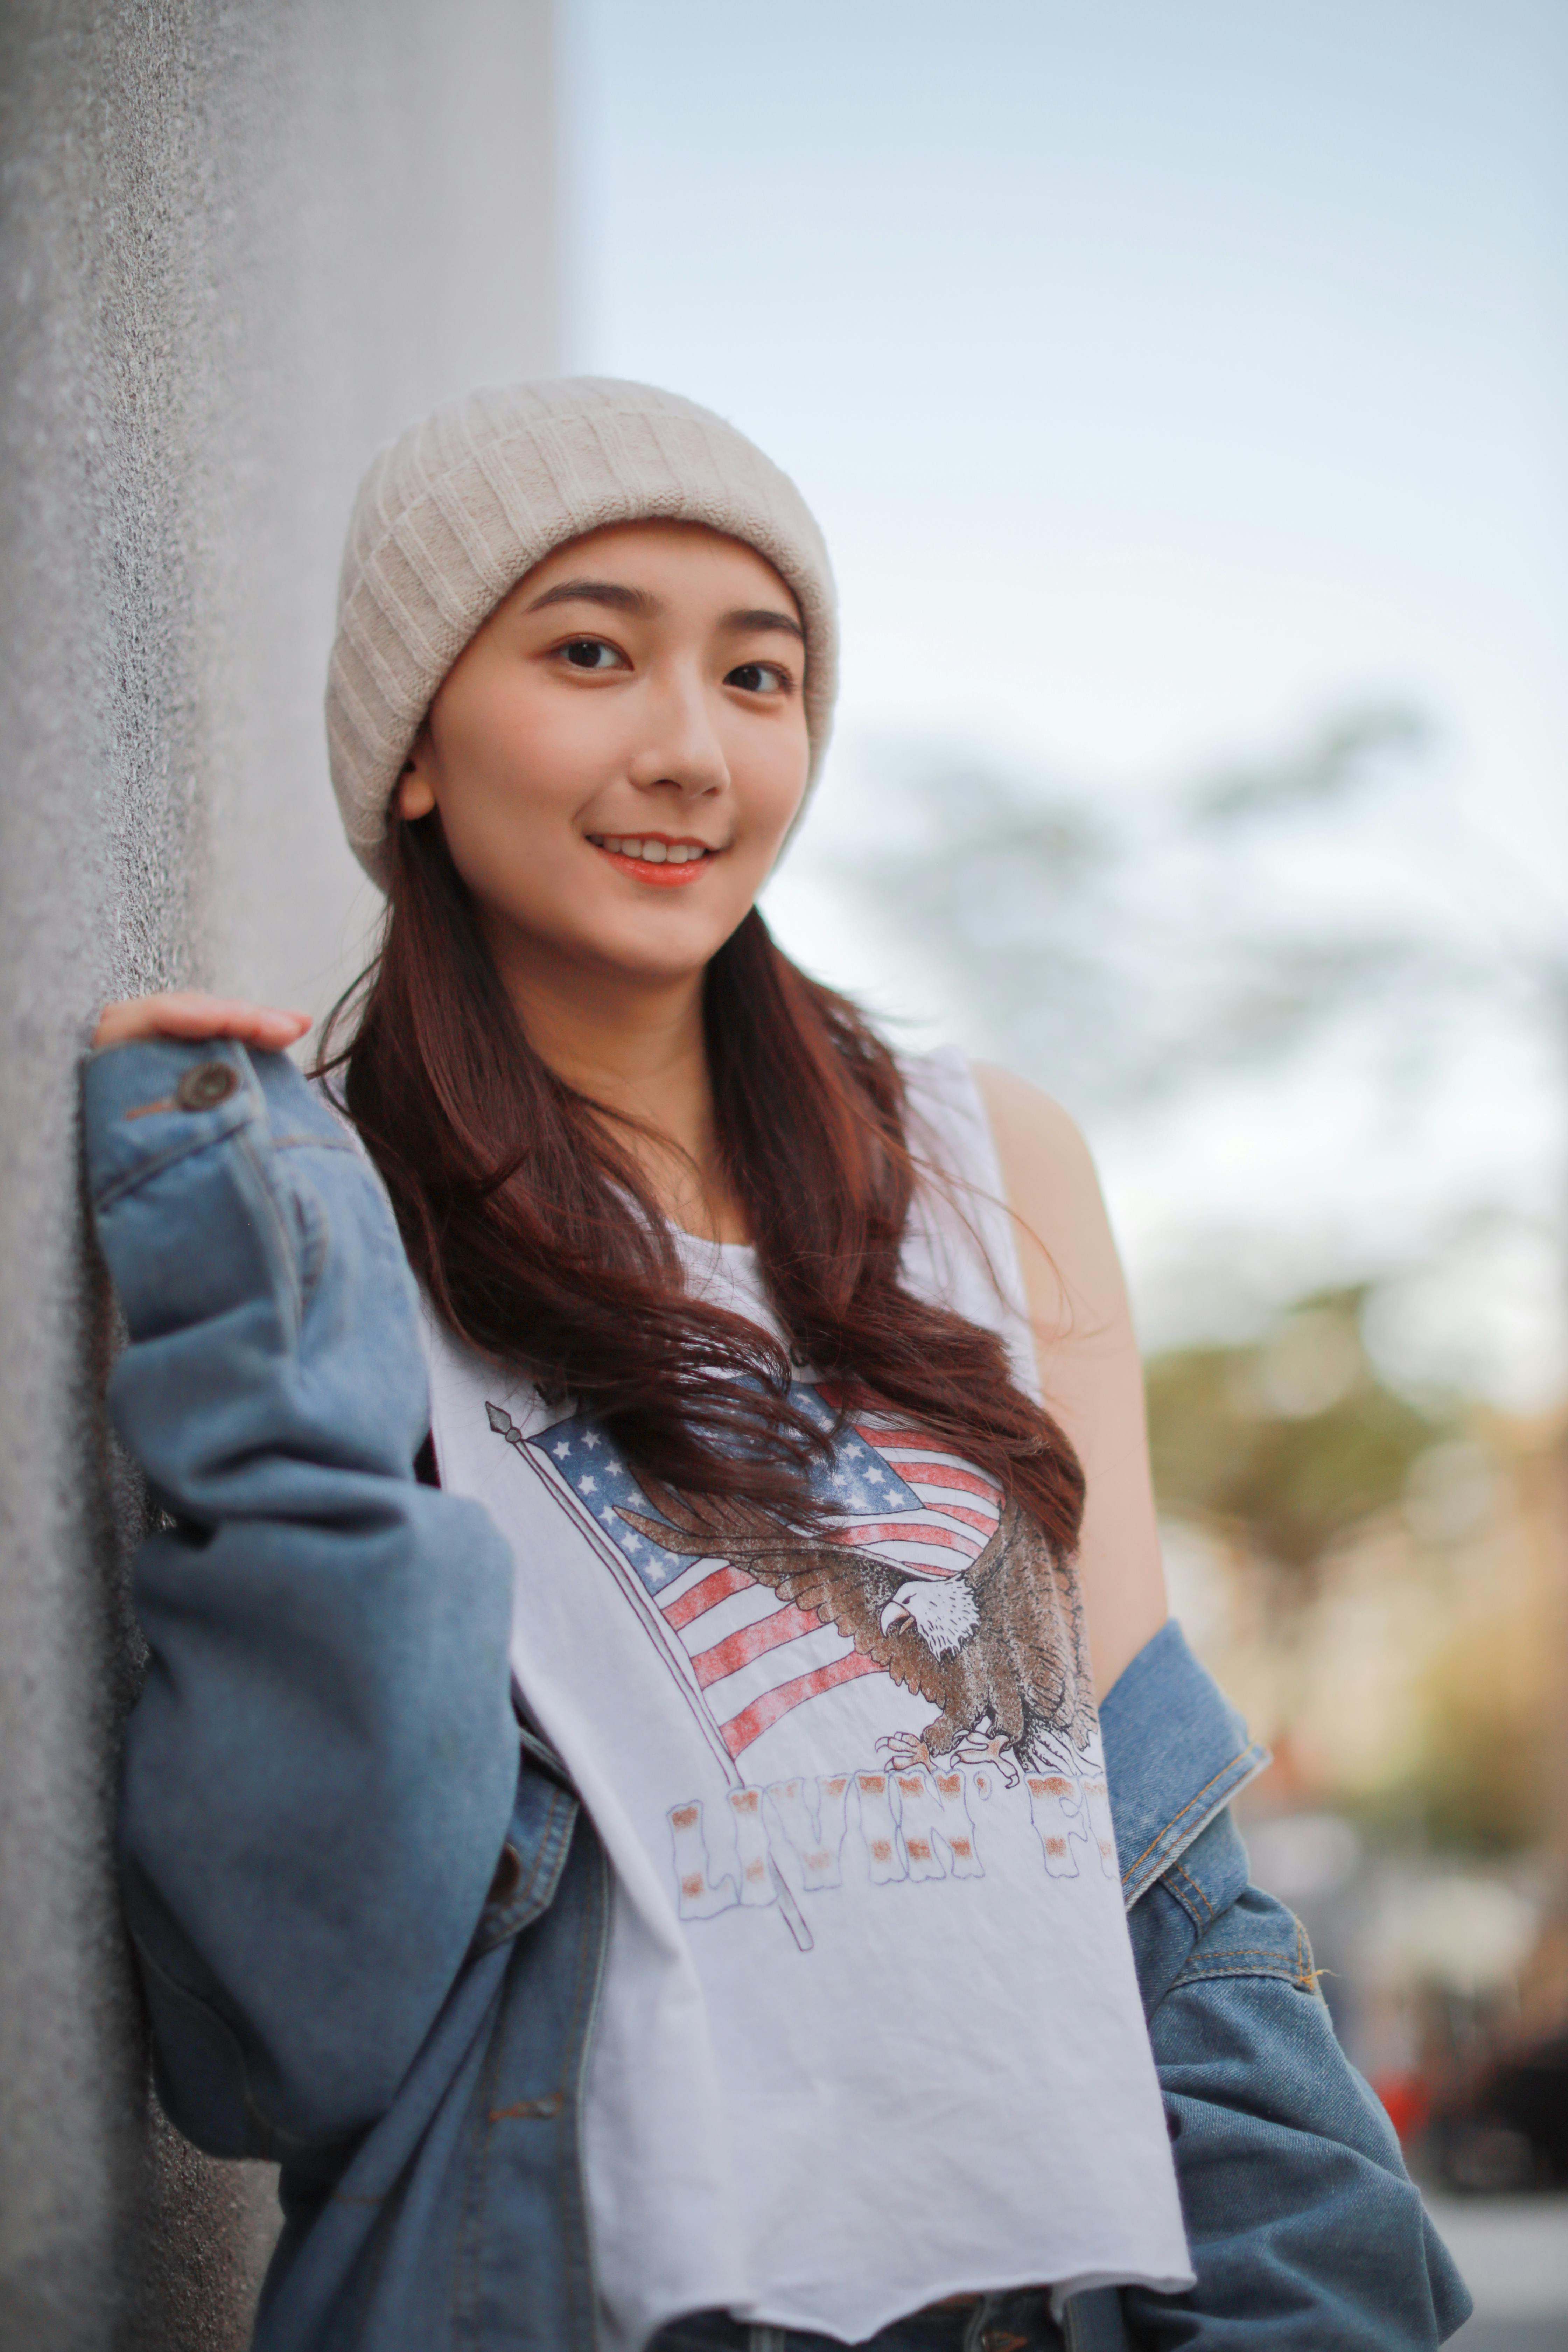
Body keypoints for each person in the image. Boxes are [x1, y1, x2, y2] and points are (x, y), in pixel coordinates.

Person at [86, 380, 1469, 2352]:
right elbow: (292, 2031)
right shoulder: (333, 1218)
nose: (690, 753)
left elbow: (1147, 1842)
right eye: (590, 652)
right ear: (413, 745)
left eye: (761, 676)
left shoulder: (990, 1162)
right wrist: (241, 1274)